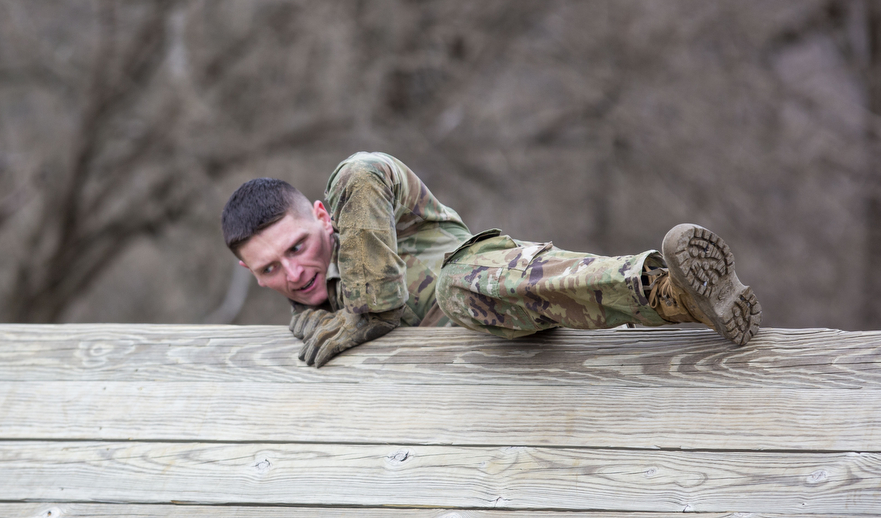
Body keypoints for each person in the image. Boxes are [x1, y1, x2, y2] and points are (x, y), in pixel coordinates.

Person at [222, 151, 761, 367]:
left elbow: (365, 170)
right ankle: (687, 305)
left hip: (502, 285)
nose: (293, 272)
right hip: (492, 391)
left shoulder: (359, 206)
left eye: (297, 246)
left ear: (321, 216)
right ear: (248, 273)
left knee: (459, 287)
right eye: (270, 269)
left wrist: (369, 308)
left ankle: (665, 287)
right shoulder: (315, 320)